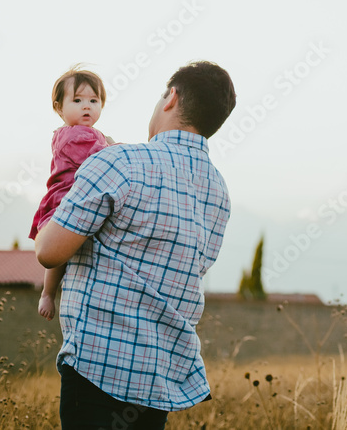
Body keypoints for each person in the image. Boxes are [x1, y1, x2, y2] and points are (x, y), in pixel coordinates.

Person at [36, 60, 236, 430]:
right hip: (159, 376)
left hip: (98, 367)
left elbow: (48, 251)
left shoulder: (118, 162)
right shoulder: (219, 192)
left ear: (170, 98)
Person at [30, 66, 115, 320]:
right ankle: (48, 292)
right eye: (77, 101)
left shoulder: (89, 133)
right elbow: (101, 158)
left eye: (93, 100)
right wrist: (120, 148)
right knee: (58, 254)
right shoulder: (74, 136)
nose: (86, 106)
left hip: (76, 197)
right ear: (59, 108)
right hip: (63, 200)